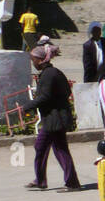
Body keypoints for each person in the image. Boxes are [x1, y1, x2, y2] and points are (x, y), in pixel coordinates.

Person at [19, 42, 82, 192]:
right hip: (53, 117)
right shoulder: (53, 73)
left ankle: (72, 183)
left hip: (55, 118)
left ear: (40, 60)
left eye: (33, 59)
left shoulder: (49, 74)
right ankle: (41, 180)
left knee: (59, 149)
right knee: (41, 147)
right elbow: (66, 91)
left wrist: (27, 106)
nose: (32, 62)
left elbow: (45, 96)